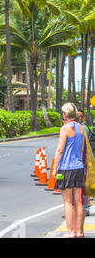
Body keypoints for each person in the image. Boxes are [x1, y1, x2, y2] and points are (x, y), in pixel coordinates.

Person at [53, 102, 86, 238]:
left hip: (66, 168)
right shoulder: (80, 128)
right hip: (79, 167)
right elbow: (82, 149)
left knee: (68, 201)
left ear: (66, 114)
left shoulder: (65, 128)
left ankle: (71, 232)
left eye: (63, 113)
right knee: (79, 201)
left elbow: (60, 149)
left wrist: (55, 167)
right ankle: (80, 231)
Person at [77, 108, 92, 217]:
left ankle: (85, 208)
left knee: (83, 186)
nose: (79, 119)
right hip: (80, 162)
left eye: (80, 117)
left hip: (83, 161)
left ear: (83, 118)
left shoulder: (83, 128)